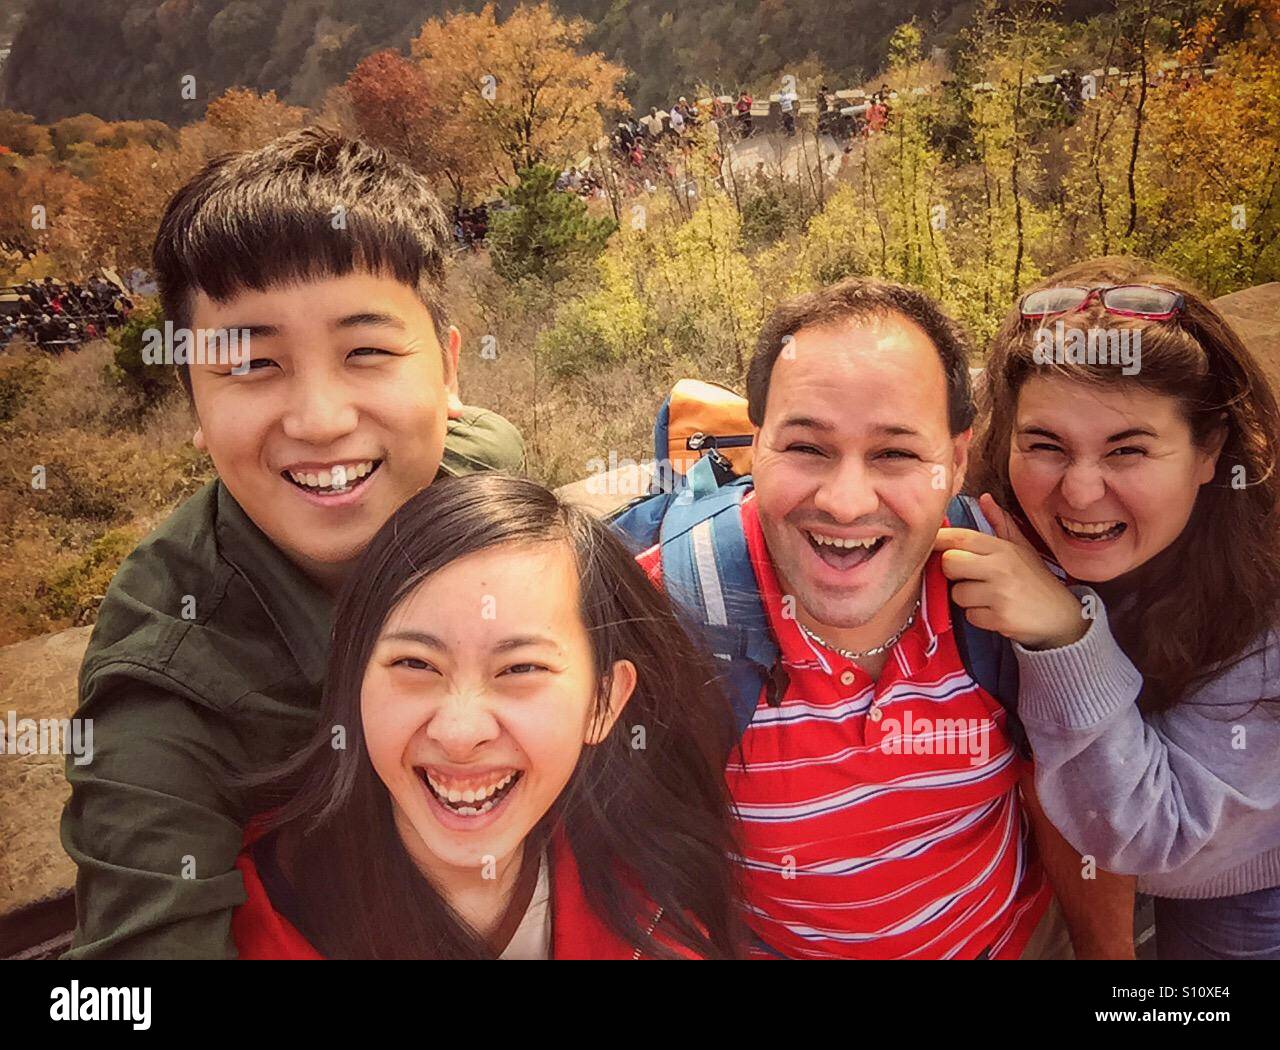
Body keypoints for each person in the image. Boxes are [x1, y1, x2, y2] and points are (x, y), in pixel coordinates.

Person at [60, 127, 526, 959]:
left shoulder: (476, 469)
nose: (320, 420)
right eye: (250, 364)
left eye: (368, 352)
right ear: (195, 403)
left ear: (448, 373)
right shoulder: (169, 689)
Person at [633, 277, 1134, 958]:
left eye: (896, 454)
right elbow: (635, 865)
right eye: (807, 448)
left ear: (956, 461)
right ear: (760, 447)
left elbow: (1077, 804)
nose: (844, 502)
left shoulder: (1010, 592)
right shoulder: (664, 616)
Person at [231, 474, 744, 958]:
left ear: (602, 703)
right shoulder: (237, 923)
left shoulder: (653, 884)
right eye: (415, 664)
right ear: (354, 679)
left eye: (520, 669)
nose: (460, 733)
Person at [959, 256, 1280, 960]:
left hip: (1239, 874)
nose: (1078, 493)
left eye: (1127, 451)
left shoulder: (1263, 584)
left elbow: (1154, 835)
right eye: (1045, 445)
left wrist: (1063, 633)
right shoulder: (996, 518)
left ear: (1208, 451)